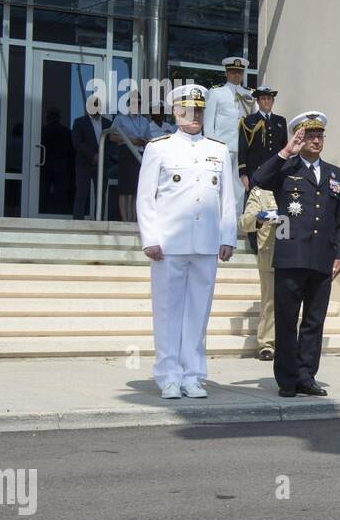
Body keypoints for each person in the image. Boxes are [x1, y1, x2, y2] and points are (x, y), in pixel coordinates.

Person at [136, 85, 237, 399]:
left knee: (198, 313)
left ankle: (193, 375)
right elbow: (145, 197)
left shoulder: (218, 150)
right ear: (176, 112)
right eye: (188, 110)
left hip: (206, 243)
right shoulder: (159, 148)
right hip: (170, 244)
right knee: (168, 311)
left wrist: (228, 236)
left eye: (199, 110)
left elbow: (227, 199)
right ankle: (168, 376)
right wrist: (150, 238)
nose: (194, 116)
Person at [250, 112, 340, 397]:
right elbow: (258, 178)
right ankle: (287, 379)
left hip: (322, 257)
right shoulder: (286, 167)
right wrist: (286, 151)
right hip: (291, 256)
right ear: (299, 138)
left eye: (319, 136)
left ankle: (306, 376)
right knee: (286, 319)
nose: (316, 141)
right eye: (310, 136)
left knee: (314, 321)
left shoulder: (335, 174)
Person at [204, 56, 254, 207]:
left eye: (239, 72)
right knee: (218, 182)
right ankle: (218, 215)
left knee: (239, 185)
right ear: (226, 73)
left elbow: (254, 121)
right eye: (233, 71)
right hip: (222, 145)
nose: (236, 75)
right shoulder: (216, 92)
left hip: (243, 147)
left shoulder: (250, 94)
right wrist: (211, 145)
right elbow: (208, 122)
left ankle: (236, 217)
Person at [110, 91, 166, 224]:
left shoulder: (145, 121)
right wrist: (131, 140)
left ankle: (134, 219)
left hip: (140, 154)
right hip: (126, 152)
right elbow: (112, 137)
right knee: (125, 189)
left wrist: (143, 141)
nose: (137, 105)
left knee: (136, 188)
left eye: (139, 103)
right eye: (134, 103)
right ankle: (125, 219)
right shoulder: (120, 118)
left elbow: (149, 138)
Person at [238, 184, 280, 361]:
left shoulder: (298, 185)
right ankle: (267, 344)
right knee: (270, 300)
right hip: (270, 254)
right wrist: (258, 217)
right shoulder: (260, 192)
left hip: (297, 253)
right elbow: (244, 223)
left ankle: (288, 342)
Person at [238, 85, 288, 194]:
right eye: (263, 99)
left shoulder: (280, 121)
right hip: (255, 171)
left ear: (273, 101)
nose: (266, 101)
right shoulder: (248, 120)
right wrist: (243, 173)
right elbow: (242, 147)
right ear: (258, 101)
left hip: (276, 171)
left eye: (269, 98)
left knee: (275, 201)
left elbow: (284, 147)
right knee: (255, 201)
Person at [71, 101, 113, 220]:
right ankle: (78, 221)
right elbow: (77, 142)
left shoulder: (108, 123)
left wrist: (101, 156)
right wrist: (92, 156)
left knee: (100, 194)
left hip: (102, 164)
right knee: (81, 193)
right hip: (84, 163)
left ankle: (98, 222)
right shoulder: (79, 122)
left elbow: (112, 144)